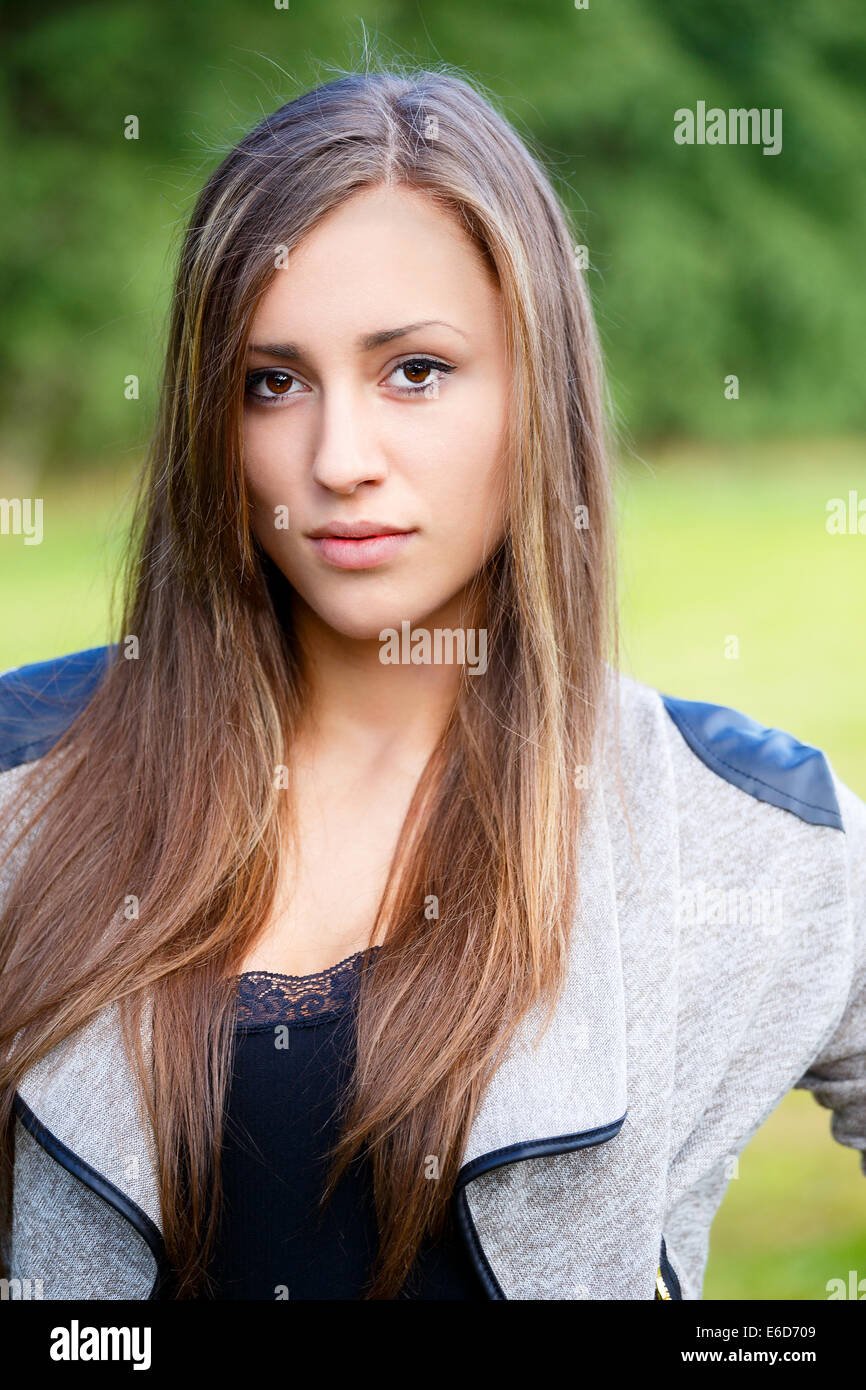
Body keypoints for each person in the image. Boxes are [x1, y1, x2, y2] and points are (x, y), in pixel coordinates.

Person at [1, 65, 864, 1303]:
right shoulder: (22, 785)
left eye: (414, 371)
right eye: (272, 381)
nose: (337, 460)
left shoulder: (738, 829)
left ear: (537, 392)